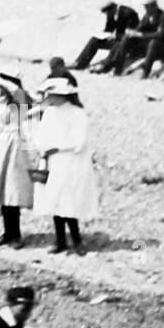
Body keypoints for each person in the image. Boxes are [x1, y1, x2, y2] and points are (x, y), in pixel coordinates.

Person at [33, 79, 98, 254]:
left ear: (61, 95)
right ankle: (60, 240)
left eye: (51, 95)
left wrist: (58, 147)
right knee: (55, 200)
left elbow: (80, 141)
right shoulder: (49, 113)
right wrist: (42, 149)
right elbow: (41, 134)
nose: (49, 98)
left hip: (71, 161)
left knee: (70, 200)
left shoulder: (77, 114)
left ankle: (76, 240)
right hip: (53, 161)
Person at [0, 73, 35, 248]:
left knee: (13, 189)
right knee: (2, 190)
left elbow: (26, 105)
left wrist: (12, 87)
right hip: (0, 146)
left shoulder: (20, 101)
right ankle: (7, 232)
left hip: (14, 147)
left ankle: (16, 234)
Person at [74, 1, 139, 72]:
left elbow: (132, 33)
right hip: (119, 39)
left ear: (113, 8)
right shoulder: (111, 13)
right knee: (94, 40)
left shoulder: (128, 13)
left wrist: (115, 36)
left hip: (130, 43)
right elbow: (109, 28)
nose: (107, 14)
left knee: (118, 43)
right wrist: (103, 35)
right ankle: (80, 63)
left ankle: (105, 66)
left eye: (107, 12)